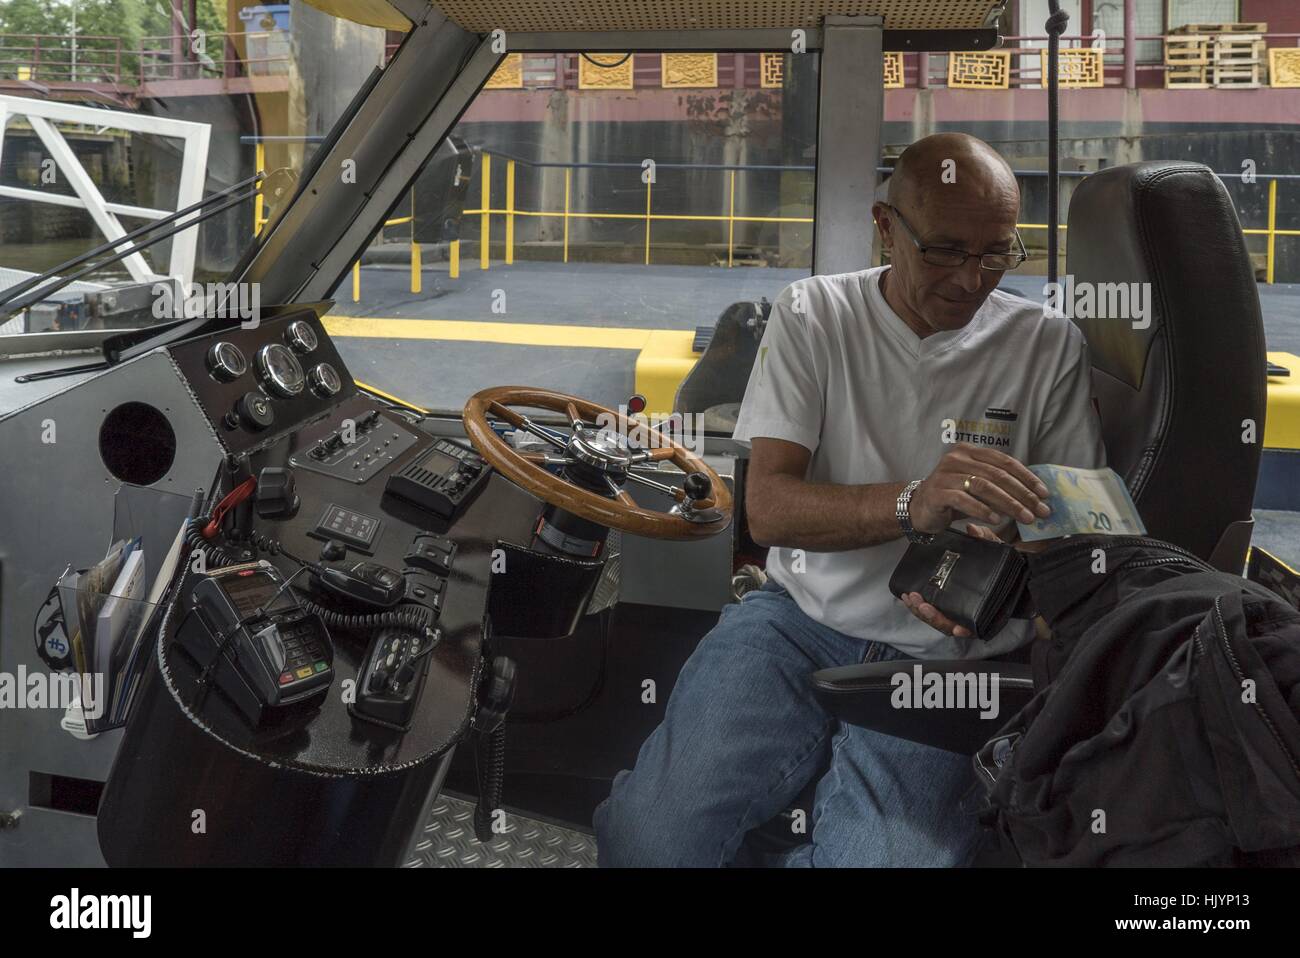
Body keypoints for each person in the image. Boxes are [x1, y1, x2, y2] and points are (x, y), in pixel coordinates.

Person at [593, 132, 1106, 867]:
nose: (972, 279)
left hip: (947, 660)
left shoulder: (1047, 343)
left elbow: (1074, 532)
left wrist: (1011, 579)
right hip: (799, 621)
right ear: (885, 227)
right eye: (946, 251)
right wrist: (914, 504)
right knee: (650, 839)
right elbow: (767, 509)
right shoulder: (813, 316)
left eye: (997, 253)